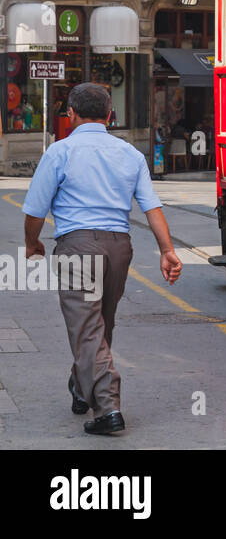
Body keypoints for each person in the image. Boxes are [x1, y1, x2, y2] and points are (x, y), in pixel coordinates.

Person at [22, 82, 183, 436]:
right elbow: (151, 206)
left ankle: (108, 408)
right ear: (110, 115)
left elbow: (35, 209)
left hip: (78, 247)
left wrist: (31, 242)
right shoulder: (129, 154)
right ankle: (81, 389)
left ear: (71, 115)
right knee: (100, 323)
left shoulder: (59, 152)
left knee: (88, 326)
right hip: (119, 248)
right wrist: (167, 250)